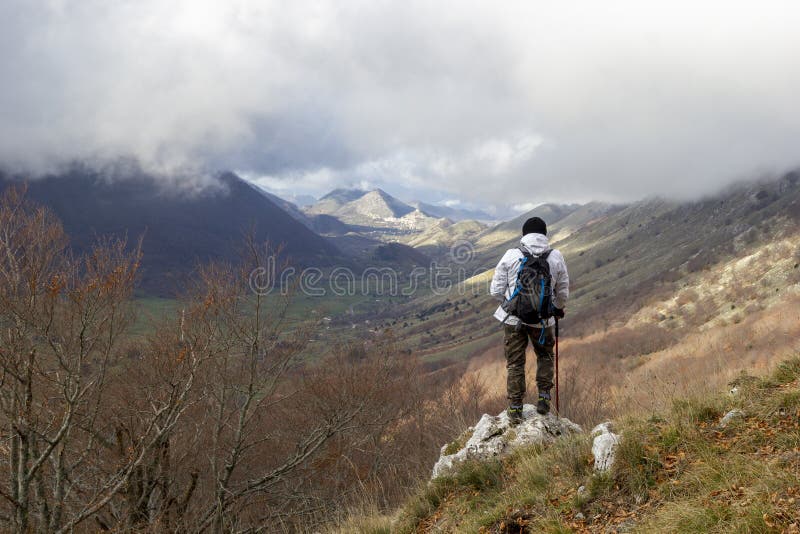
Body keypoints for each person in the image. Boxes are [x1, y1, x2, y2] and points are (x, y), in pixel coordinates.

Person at [490, 216, 569, 424]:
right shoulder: (556, 256)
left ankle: (515, 408)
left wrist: (511, 303)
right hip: (543, 322)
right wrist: (557, 309)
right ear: (545, 234)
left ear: (524, 234)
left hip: (513, 320)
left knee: (515, 363)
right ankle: (543, 398)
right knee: (545, 357)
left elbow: (495, 291)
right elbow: (562, 292)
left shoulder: (511, 255)